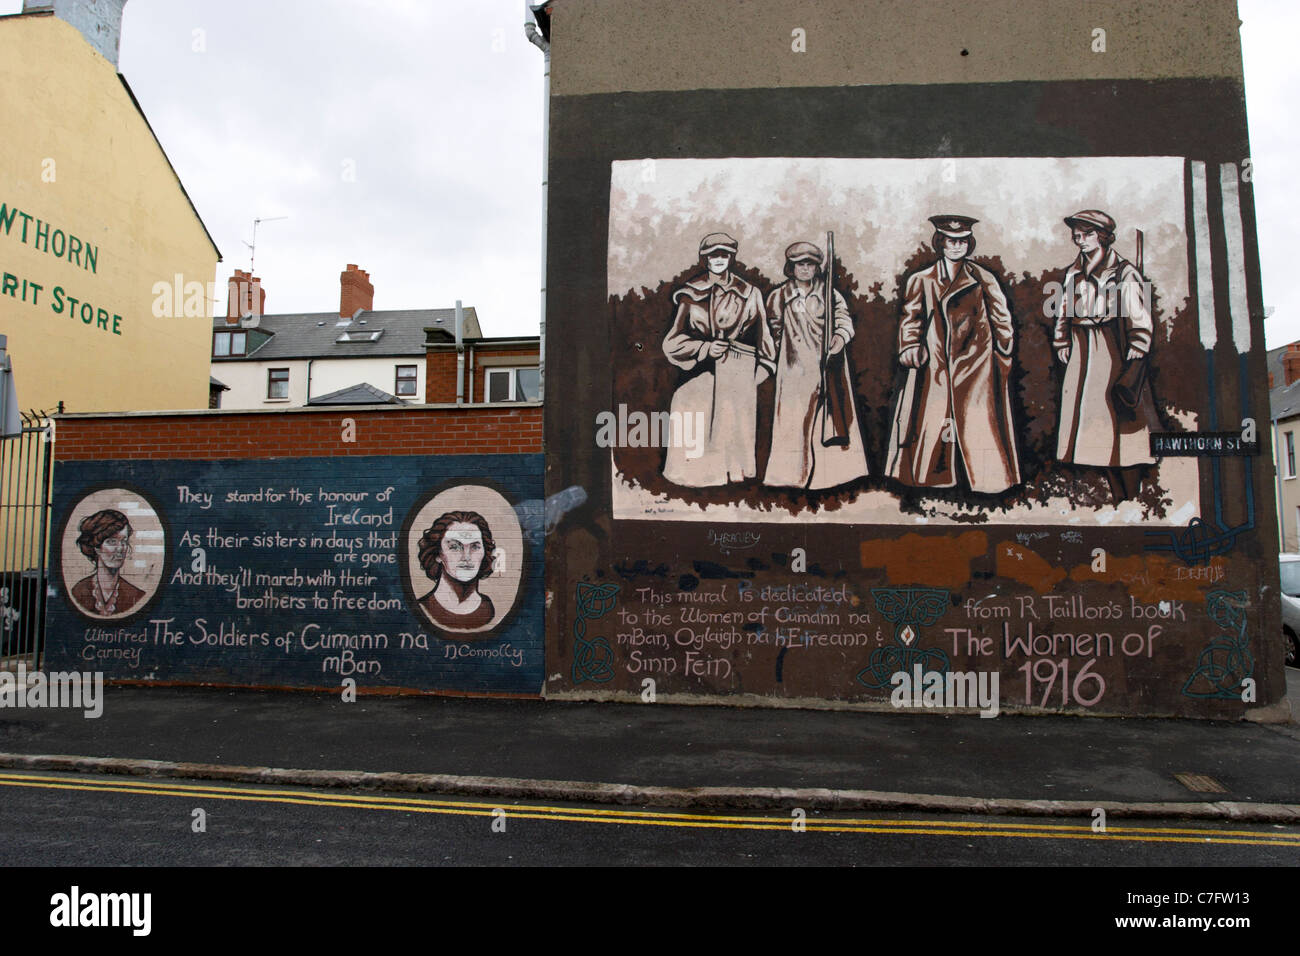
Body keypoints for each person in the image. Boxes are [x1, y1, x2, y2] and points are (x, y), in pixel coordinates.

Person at [885, 215, 1021, 494]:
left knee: (978, 423)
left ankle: (986, 486)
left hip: (976, 363)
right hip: (935, 362)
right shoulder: (921, 280)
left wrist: (1001, 354)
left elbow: (1001, 318)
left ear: (968, 243)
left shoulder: (983, 278)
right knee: (933, 422)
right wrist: (910, 347)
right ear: (941, 243)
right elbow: (911, 318)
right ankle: (932, 482)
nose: (956, 246)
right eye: (950, 241)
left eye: (961, 241)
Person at [1053, 209, 1157, 500]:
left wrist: (1137, 349)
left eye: (1086, 234)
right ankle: (1118, 496)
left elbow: (1140, 319)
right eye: (1077, 234)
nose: (1080, 239)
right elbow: (1063, 312)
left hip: (1111, 351)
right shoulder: (1073, 273)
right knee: (1091, 430)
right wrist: (1061, 341)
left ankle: (1130, 497)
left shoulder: (1124, 272)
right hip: (1081, 352)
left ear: (1102, 237)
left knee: (1121, 426)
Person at [661, 233, 775, 487]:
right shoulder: (691, 294)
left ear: (731, 257)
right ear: (706, 258)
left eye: (723, 254)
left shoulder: (750, 293)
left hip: (737, 374)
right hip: (699, 371)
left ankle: (729, 478)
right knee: (689, 404)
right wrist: (704, 348)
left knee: (732, 429)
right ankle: (695, 477)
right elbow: (671, 343)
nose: (719, 260)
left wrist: (759, 373)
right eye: (713, 255)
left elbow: (765, 338)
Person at [763, 240, 870, 489]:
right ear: (791, 267)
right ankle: (789, 479)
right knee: (791, 422)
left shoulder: (829, 294)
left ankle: (833, 479)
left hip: (827, 368)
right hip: (793, 370)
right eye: (800, 264)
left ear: (816, 268)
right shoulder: (779, 296)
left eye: (810, 264)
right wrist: (781, 352)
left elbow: (844, 320)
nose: (804, 269)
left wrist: (839, 337)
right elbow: (772, 328)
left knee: (831, 420)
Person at [416, 510, 497, 630]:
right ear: (438, 554)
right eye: (455, 547)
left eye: (475, 547)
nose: (467, 557)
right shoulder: (422, 608)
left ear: (485, 552)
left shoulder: (489, 609)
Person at [70, 509, 145, 617]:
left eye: (124, 541)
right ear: (96, 547)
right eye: (112, 541)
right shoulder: (79, 591)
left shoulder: (135, 595)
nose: (120, 548)